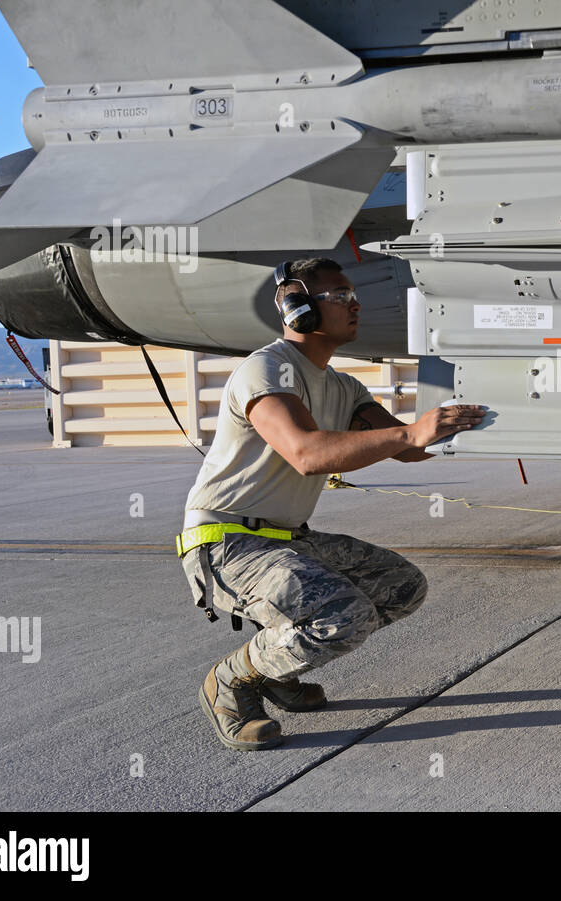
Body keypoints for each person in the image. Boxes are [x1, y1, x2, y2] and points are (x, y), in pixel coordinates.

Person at [177, 257, 485, 750]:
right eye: (339, 296)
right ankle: (232, 680)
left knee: (401, 587)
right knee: (343, 614)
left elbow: (407, 450)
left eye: (352, 295)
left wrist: (472, 420)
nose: (354, 304)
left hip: (285, 538)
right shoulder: (269, 369)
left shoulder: (343, 386)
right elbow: (306, 453)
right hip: (228, 541)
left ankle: (280, 668)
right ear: (298, 308)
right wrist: (410, 430)